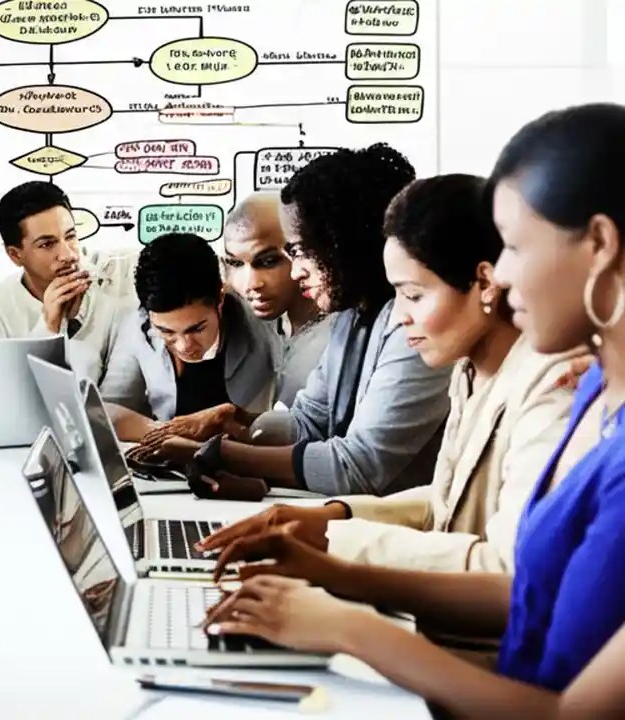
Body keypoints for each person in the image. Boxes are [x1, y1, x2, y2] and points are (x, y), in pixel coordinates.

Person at [203, 103, 625, 717]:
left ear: (599, 245)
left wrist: (346, 619)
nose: (499, 275)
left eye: (512, 246)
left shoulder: (563, 387)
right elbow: (527, 591)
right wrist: (332, 564)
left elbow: (548, 674)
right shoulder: (588, 387)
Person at [200, 174, 583, 577]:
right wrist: (326, 516)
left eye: (414, 296)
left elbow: (508, 571)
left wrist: (336, 546)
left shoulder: (552, 390)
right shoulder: (469, 370)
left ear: (485, 283)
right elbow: (443, 502)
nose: (401, 316)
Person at [146, 144, 451, 497]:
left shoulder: (413, 329)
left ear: (343, 244)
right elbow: (309, 421)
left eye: (302, 251)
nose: (297, 270)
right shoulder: (352, 316)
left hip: (391, 531)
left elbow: (358, 467)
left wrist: (222, 454)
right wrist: (235, 423)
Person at [100, 232, 282, 442]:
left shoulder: (262, 329)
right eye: (167, 332)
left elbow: (277, 428)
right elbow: (106, 413)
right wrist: (170, 433)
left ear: (220, 300)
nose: (184, 346)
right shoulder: (139, 325)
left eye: (196, 329)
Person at [0, 181, 131, 383]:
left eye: (70, 236)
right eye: (47, 244)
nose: (68, 255)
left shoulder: (114, 277)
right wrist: (48, 326)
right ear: (15, 255)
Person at [221, 192, 331, 407]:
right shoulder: (244, 316)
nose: (250, 284)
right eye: (235, 264)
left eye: (268, 261)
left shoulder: (342, 333)